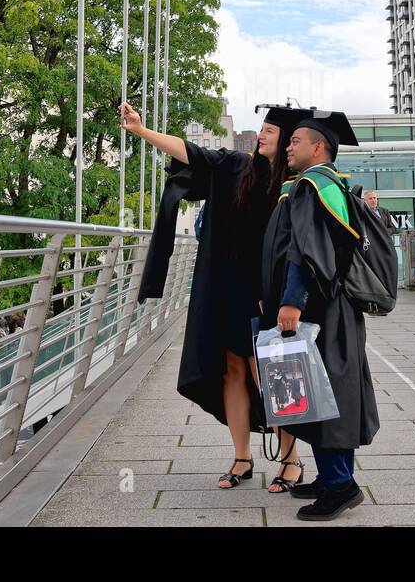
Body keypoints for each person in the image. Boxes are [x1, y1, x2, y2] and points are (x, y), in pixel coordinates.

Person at [123, 101, 306, 493]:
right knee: (232, 370)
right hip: (225, 287)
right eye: (262, 129)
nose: (261, 135)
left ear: (288, 140)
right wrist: (141, 130)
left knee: (271, 374)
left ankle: (291, 459)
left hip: (266, 293)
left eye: (270, 132)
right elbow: (191, 152)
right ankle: (242, 456)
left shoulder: (294, 184)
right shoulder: (236, 166)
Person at [259, 109, 380, 522]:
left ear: (318, 147)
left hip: (322, 310)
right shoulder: (322, 186)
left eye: (295, 141)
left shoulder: (314, 186)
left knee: (329, 396)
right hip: (325, 309)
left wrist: (290, 301)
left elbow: (304, 250)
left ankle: (341, 485)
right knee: (315, 392)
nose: (287, 147)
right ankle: (331, 477)